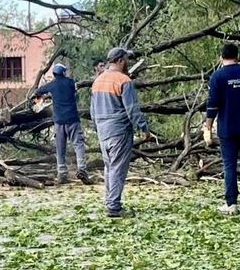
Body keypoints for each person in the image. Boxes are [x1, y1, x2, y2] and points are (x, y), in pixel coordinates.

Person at [91, 47, 154, 218]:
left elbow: (92, 111)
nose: (128, 62)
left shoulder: (98, 81)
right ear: (120, 60)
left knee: (109, 167)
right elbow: (132, 109)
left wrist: (98, 127)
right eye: (126, 59)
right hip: (119, 130)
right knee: (118, 168)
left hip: (103, 131)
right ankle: (114, 206)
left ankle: (109, 200)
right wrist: (144, 128)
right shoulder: (124, 81)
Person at [204, 43, 240, 215]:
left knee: (229, 166)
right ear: (237, 56)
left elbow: (212, 104)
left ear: (221, 58)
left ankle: (231, 204)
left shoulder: (217, 77)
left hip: (227, 128)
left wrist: (208, 125)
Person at [30, 62, 90, 185]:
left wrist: (43, 97)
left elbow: (38, 91)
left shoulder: (51, 85)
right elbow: (74, 93)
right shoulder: (70, 82)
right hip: (72, 119)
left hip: (59, 121)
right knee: (78, 144)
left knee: (60, 147)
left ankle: (62, 173)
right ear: (63, 72)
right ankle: (82, 169)